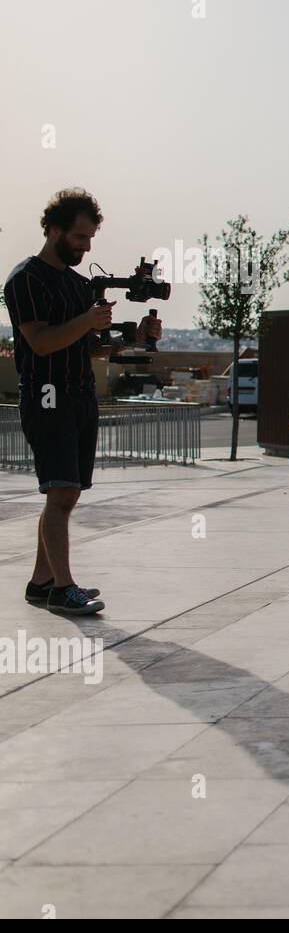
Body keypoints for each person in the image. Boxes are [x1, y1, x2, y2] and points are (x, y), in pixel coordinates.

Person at [4, 188, 163, 616]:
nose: (86, 246)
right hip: (46, 394)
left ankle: (42, 583)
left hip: (79, 395)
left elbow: (86, 346)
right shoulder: (25, 279)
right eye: (78, 238)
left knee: (66, 495)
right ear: (54, 230)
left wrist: (136, 338)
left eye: (90, 238)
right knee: (62, 491)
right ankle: (63, 587)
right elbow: (39, 342)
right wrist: (86, 321)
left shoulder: (78, 285)